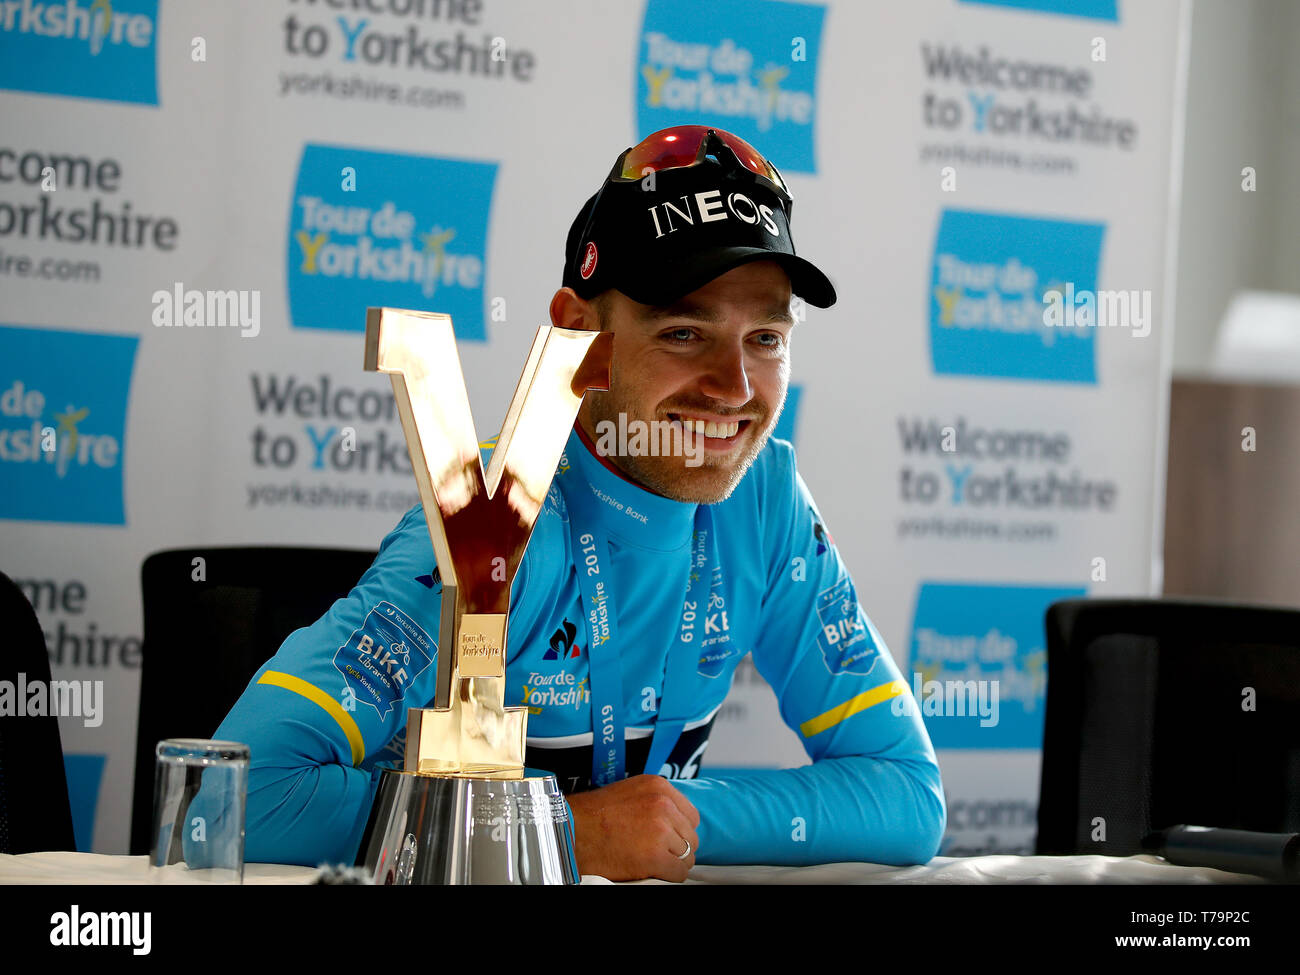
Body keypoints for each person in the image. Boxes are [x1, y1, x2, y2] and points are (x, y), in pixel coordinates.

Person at [215, 125, 945, 882]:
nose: (734, 388)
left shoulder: (763, 502)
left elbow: (908, 795)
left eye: (765, 337)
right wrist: (564, 831)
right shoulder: (501, 517)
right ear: (577, 329)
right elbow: (239, 797)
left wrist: (665, 818)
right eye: (685, 331)